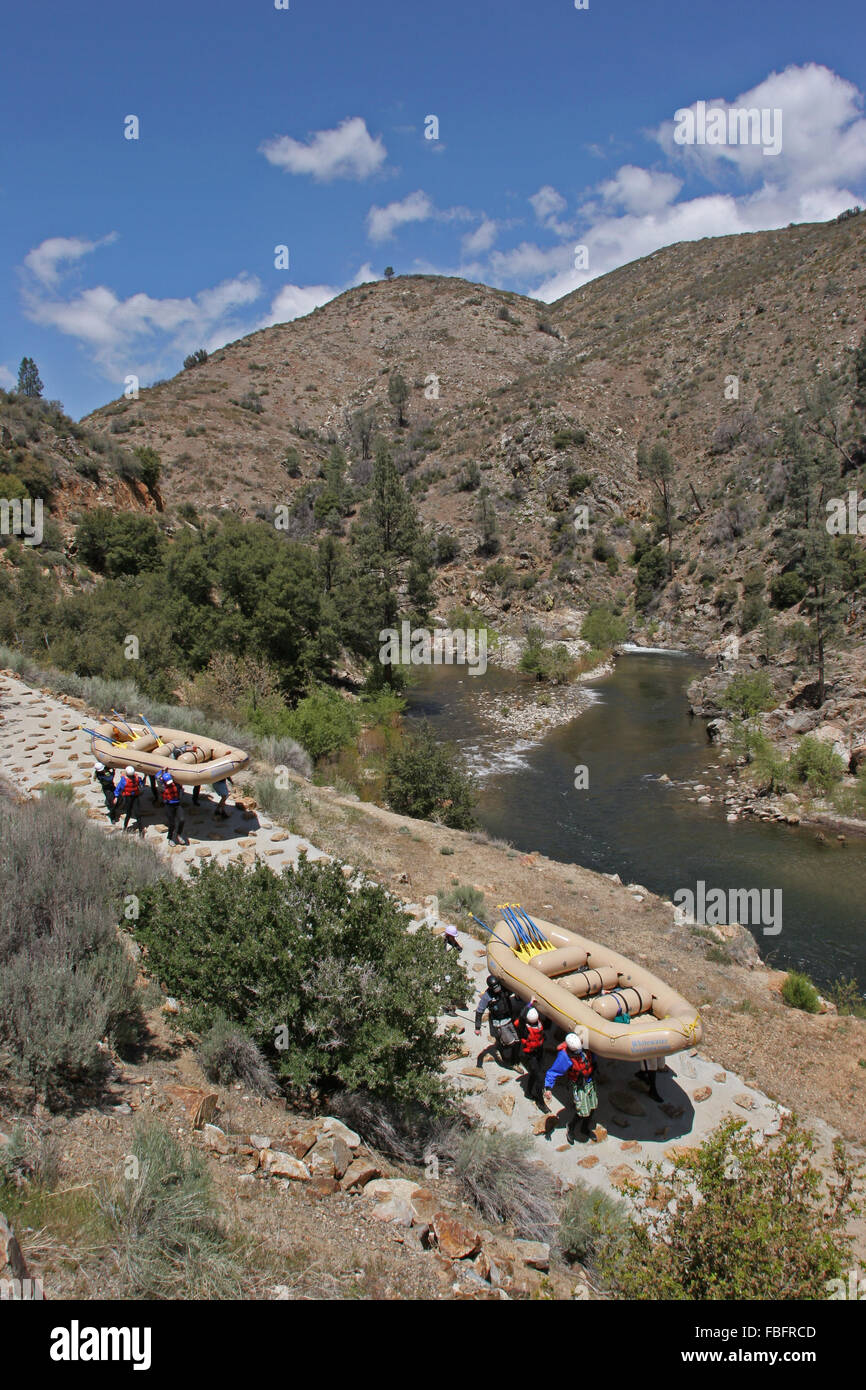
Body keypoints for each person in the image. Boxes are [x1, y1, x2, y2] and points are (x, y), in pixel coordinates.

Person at [543, 1031, 598, 1144]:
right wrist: (548, 1088)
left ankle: (584, 1128)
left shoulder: (584, 1045)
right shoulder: (565, 1056)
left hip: (589, 1080)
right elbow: (553, 1072)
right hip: (579, 1085)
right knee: (582, 1111)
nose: (579, 1052)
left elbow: (592, 1056)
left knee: (593, 1106)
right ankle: (571, 1127)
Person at [474, 975, 520, 1067]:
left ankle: (515, 1059)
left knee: (518, 1042)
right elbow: (479, 1011)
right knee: (511, 1043)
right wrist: (477, 1027)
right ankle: (510, 1062)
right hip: (500, 1023)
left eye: (498, 986)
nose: (498, 989)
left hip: (509, 1018)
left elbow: (513, 990)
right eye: (495, 988)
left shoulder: (504, 989)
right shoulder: (487, 997)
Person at [515, 1002, 547, 1109]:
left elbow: (522, 1015)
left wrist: (530, 1004)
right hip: (529, 1055)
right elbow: (521, 1016)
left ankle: (528, 1092)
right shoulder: (524, 1028)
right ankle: (540, 1101)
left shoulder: (536, 1023)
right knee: (539, 1078)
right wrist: (528, 1004)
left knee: (535, 1074)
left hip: (538, 1051)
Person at [158, 769, 187, 845]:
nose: (170, 784)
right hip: (169, 806)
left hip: (177, 804)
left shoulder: (175, 784)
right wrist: (162, 771)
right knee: (172, 823)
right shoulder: (162, 787)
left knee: (182, 820)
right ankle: (170, 838)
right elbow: (157, 777)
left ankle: (179, 834)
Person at [115, 765, 144, 836]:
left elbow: (118, 789)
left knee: (135, 813)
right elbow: (118, 788)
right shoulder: (125, 780)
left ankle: (139, 830)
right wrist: (116, 796)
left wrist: (116, 796)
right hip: (130, 797)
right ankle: (126, 828)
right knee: (130, 813)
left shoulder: (126, 780)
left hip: (133, 796)